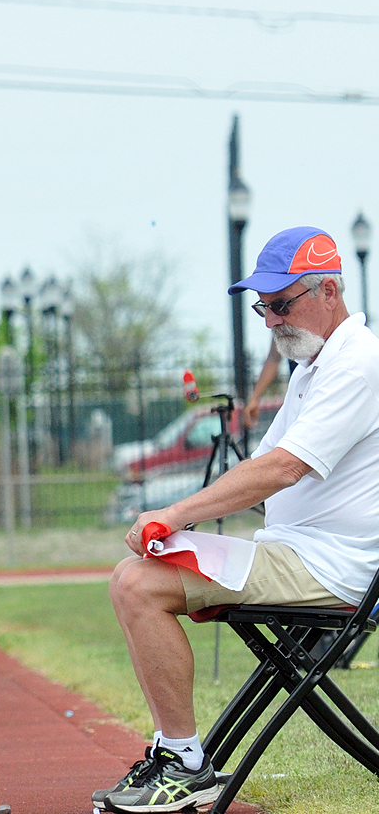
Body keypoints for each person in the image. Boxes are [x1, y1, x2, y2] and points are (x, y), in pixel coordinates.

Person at [98, 227, 377, 813]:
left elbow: (281, 469)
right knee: (138, 572)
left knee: (135, 582)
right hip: (299, 553)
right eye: (263, 307)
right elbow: (259, 466)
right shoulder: (315, 365)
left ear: (329, 290)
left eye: (281, 304)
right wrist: (186, 523)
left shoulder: (357, 364)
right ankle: (179, 756)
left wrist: (175, 512)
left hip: (332, 569)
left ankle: (183, 763)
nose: (271, 321)